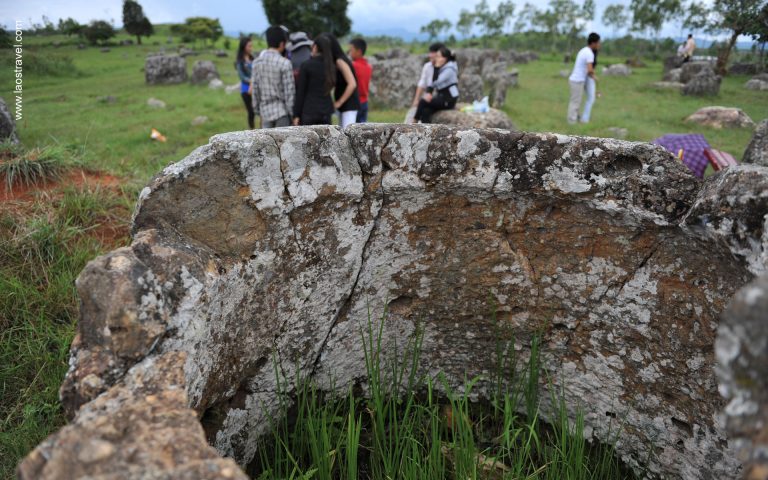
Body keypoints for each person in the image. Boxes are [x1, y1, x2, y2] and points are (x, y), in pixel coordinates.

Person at [251, 26, 295, 128]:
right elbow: (289, 93)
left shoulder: (256, 62)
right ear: (282, 44)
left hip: (265, 112)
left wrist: (257, 109)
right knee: (283, 143)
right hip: (282, 113)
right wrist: (292, 114)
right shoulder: (285, 63)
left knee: (266, 144)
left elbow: (255, 90)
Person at [293, 36, 336, 126]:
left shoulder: (306, 65)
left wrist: (296, 114)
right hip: (326, 112)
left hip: (309, 110)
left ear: (315, 47)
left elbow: (301, 92)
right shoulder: (331, 66)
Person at [320, 33, 359, 128]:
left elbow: (352, 84)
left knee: (348, 134)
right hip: (344, 106)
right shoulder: (337, 60)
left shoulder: (340, 61)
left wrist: (339, 102)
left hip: (349, 106)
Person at [413, 46, 459, 124]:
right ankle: (426, 131)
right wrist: (429, 93)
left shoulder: (449, 70)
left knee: (423, 102)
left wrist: (436, 67)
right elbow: (432, 83)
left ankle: (414, 121)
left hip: (448, 100)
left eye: (438, 56)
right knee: (425, 111)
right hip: (442, 97)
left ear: (444, 58)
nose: (436, 58)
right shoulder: (443, 67)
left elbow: (435, 82)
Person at [567, 32, 600, 125]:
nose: (599, 45)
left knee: (576, 101)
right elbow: (590, 70)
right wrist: (595, 77)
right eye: (598, 42)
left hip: (576, 79)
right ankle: (571, 121)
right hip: (577, 80)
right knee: (575, 101)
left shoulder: (584, 50)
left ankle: (575, 119)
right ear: (593, 43)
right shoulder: (589, 53)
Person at [411, 42, 444, 109]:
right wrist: (416, 100)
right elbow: (422, 83)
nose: (429, 55)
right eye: (430, 52)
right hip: (429, 96)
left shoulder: (447, 68)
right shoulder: (427, 66)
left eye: (432, 53)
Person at [349, 37, 372, 123]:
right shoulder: (368, 67)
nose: (350, 53)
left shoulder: (353, 66)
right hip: (364, 102)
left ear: (358, 51)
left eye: (351, 50)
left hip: (355, 102)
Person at [235, 36, 255, 129]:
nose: (251, 48)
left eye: (251, 46)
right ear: (244, 47)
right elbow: (242, 77)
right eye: (249, 46)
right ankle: (252, 131)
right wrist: (252, 81)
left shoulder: (252, 58)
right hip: (246, 89)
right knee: (251, 111)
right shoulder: (240, 61)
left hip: (255, 87)